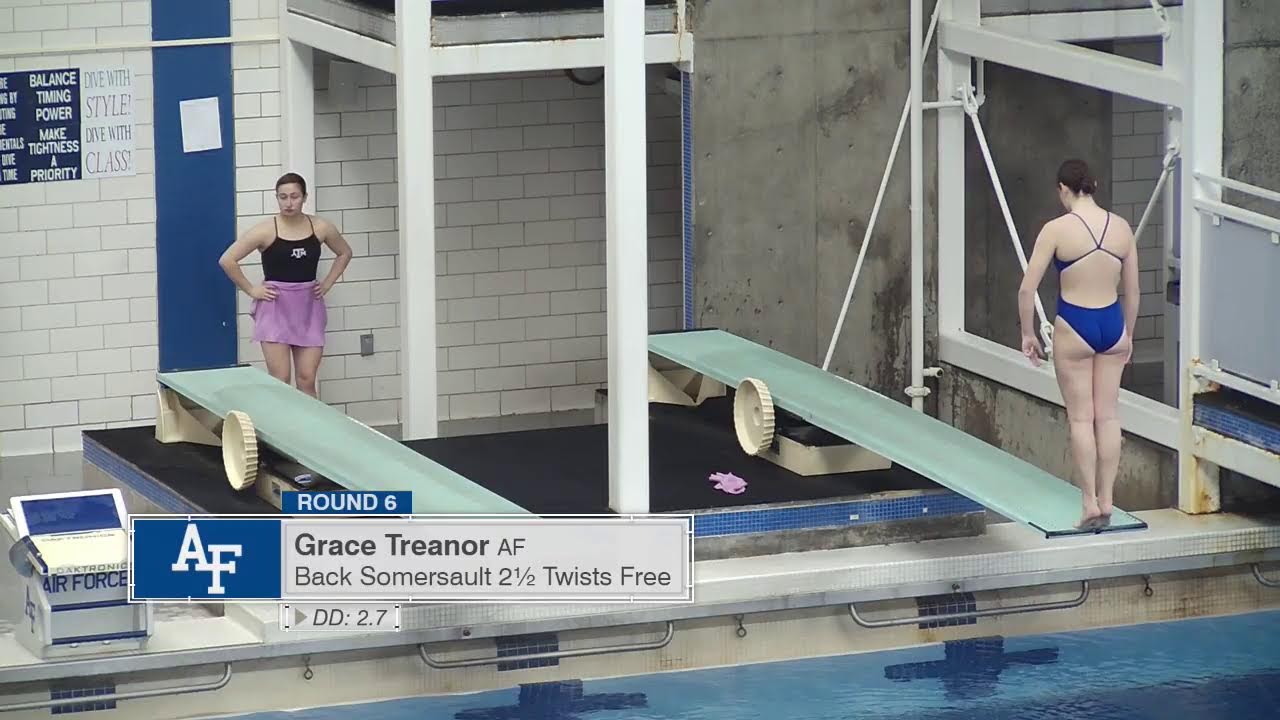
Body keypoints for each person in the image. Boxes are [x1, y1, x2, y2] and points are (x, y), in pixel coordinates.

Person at [1019, 159, 1140, 529]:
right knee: (1108, 416)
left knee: (1082, 418)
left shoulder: (1056, 230)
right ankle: (1109, 498)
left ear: (1062, 190)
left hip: (1076, 325)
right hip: (1113, 325)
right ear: (1094, 184)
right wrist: (1128, 335)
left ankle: (1089, 502)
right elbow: (1133, 291)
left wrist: (1028, 333)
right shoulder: (1121, 228)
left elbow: (1027, 289)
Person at [219, 172, 352, 398]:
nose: (289, 203)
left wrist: (328, 283)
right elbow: (227, 260)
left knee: (307, 378)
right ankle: (282, 429)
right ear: (277, 198)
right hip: (275, 308)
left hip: (308, 308)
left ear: (304, 197)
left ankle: (309, 429)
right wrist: (252, 289)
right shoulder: (265, 230)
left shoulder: (320, 227)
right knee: (280, 379)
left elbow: (344, 252)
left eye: (294, 197)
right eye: (283, 197)